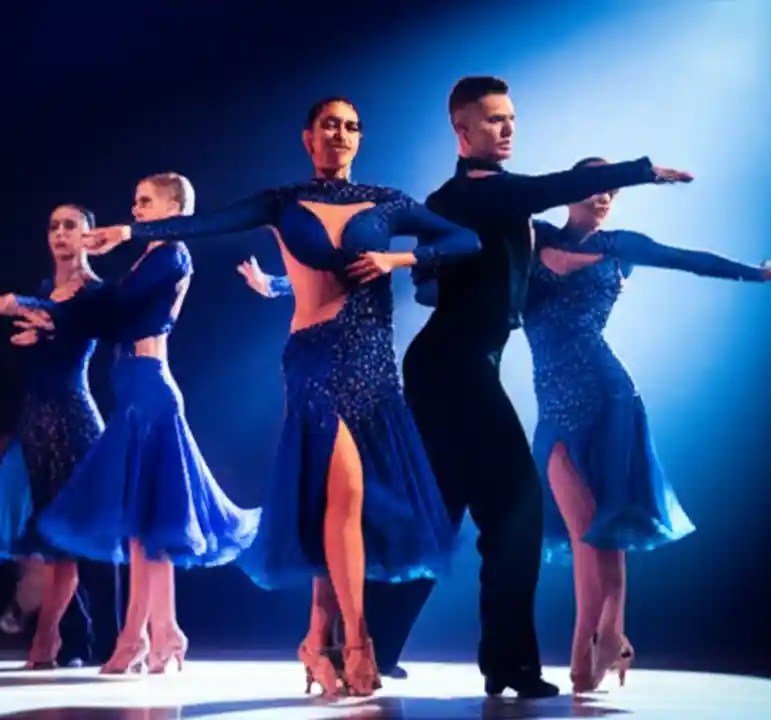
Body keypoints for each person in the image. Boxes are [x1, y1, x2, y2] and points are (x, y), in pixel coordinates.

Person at [81, 98, 478, 696]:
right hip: (313, 358)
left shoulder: (389, 202)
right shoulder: (282, 202)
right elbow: (206, 223)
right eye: (328, 126)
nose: (339, 135)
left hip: (374, 361)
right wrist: (134, 230)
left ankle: (316, 636)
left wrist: (401, 256)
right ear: (308, 137)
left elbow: (465, 240)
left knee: (341, 508)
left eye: (350, 127)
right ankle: (357, 639)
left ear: (358, 139)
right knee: (342, 492)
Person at [381, 75, 695, 698]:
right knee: (518, 513)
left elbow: (430, 283)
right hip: (456, 366)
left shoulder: (459, 201)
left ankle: (372, 641)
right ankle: (510, 666)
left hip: (456, 363)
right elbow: (553, 188)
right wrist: (641, 170)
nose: (507, 129)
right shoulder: (481, 192)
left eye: (512, 119)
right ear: (462, 129)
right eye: (494, 120)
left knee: (440, 515)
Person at [0, 173, 259, 675]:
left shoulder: (173, 253)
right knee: (146, 525)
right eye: (135, 202)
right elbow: (104, 319)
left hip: (149, 392)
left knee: (147, 524)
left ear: (174, 208)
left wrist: (35, 306)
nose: (136, 210)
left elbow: (111, 307)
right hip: (132, 391)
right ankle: (164, 633)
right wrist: (41, 314)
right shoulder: (149, 259)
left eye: (145, 202)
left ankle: (137, 638)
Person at [524, 157, 771, 693]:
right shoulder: (534, 235)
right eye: (595, 188)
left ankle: (598, 637)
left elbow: (685, 259)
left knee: (607, 526)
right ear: (573, 190)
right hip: (553, 403)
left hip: (609, 395)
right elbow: (496, 214)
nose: (604, 198)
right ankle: (604, 639)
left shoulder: (622, 244)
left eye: (614, 192)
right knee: (584, 530)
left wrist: (753, 272)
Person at [0, 204, 108, 669]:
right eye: (54, 226)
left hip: (72, 420)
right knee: (43, 537)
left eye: (71, 226)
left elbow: (73, 320)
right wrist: (35, 329)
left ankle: (49, 639)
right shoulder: (47, 289)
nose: (61, 233)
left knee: (63, 538)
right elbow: (51, 321)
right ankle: (67, 637)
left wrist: (20, 306)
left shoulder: (92, 291)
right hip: (35, 418)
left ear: (89, 236)